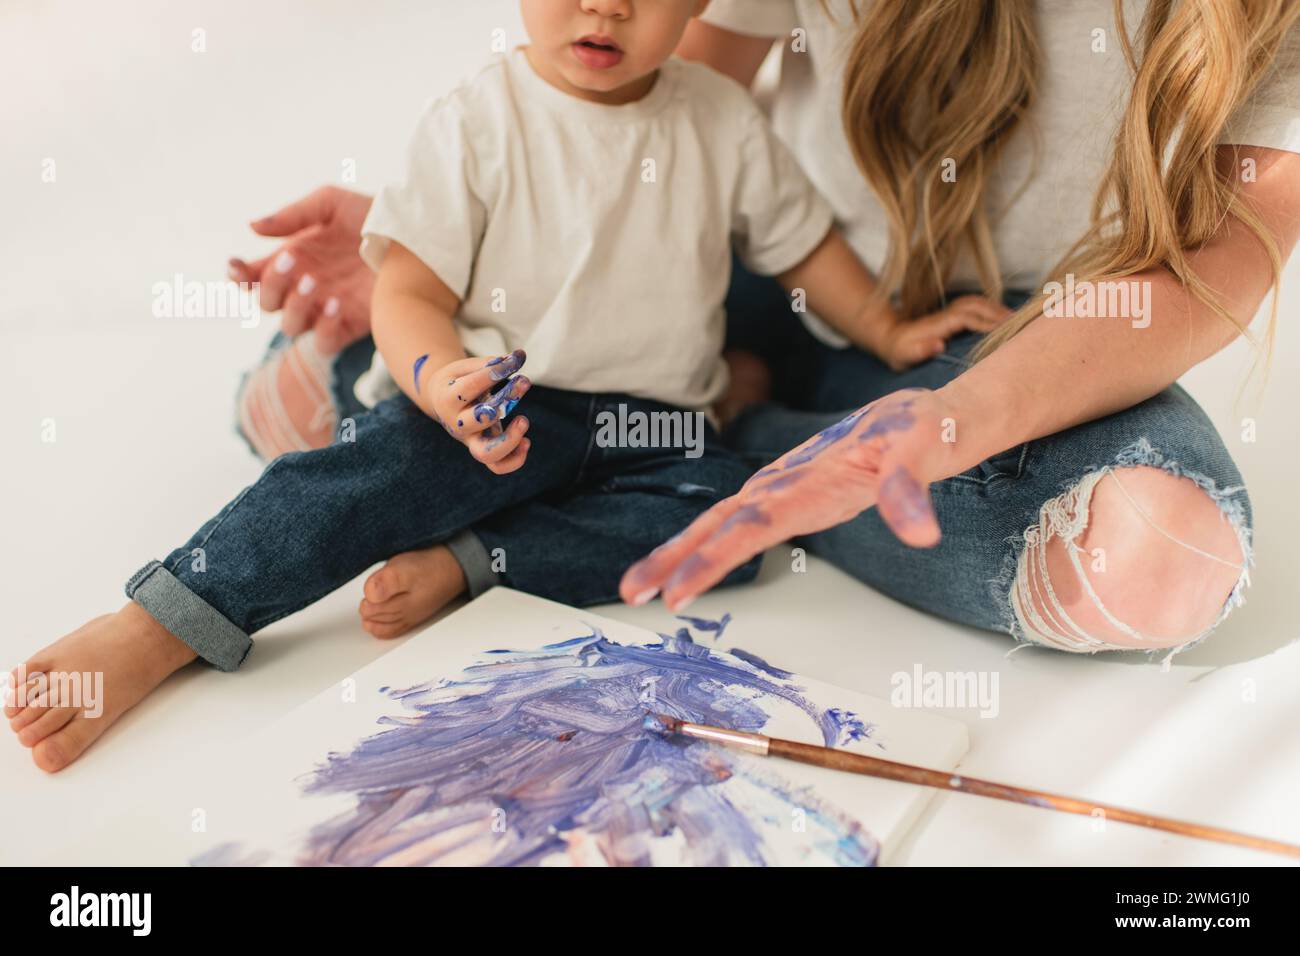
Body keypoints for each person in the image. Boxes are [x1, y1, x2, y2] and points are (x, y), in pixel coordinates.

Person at [3, 0, 1003, 772]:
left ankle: (477, 557)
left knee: (730, 521)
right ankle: (164, 617)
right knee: (376, 472)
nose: (604, 8)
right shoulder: (479, 120)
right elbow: (406, 288)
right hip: (498, 397)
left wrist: (885, 325)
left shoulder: (720, 117)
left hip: (649, 422)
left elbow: (803, 245)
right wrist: (439, 382)